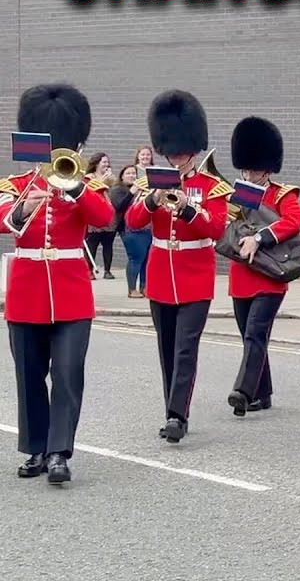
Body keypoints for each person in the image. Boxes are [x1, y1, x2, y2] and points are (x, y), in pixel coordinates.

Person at [1, 84, 113, 484]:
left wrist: (77, 187)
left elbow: (103, 218)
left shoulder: (85, 185)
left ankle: (59, 453)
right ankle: (35, 449)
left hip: (71, 295)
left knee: (67, 374)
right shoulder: (16, 186)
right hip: (27, 294)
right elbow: (1, 220)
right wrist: (24, 207)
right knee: (29, 376)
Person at [125, 90, 230, 444]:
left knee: (186, 348)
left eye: (181, 151)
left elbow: (216, 229)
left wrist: (187, 208)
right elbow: (133, 220)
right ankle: (171, 405)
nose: (176, 156)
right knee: (167, 347)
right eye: (171, 151)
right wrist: (153, 200)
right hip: (160, 275)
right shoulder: (150, 182)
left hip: (195, 276)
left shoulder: (212, 186)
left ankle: (177, 415)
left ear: (194, 148)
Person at [226, 116, 300, 417]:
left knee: (256, 333)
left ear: (268, 169)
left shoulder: (283, 194)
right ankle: (263, 392)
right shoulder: (237, 194)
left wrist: (260, 236)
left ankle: (243, 391)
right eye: (246, 168)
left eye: (255, 169)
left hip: (270, 276)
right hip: (242, 274)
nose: (250, 173)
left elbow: (294, 222)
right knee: (250, 334)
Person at [111, 166, 149, 297]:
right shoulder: (117, 190)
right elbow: (118, 206)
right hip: (129, 229)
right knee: (136, 259)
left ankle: (144, 287)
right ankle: (132, 289)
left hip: (146, 228)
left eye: (134, 173)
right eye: (128, 173)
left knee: (146, 259)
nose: (132, 175)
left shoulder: (143, 188)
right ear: (122, 176)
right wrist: (132, 192)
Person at [84, 151, 118, 279]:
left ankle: (107, 270)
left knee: (108, 244)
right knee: (92, 244)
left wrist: (109, 180)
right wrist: (103, 180)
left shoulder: (112, 177)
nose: (107, 164)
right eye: (104, 162)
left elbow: (113, 191)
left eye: (108, 162)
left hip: (109, 213)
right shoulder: (89, 177)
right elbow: (91, 190)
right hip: (94, 213)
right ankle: (90, 270)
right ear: (97, 163)